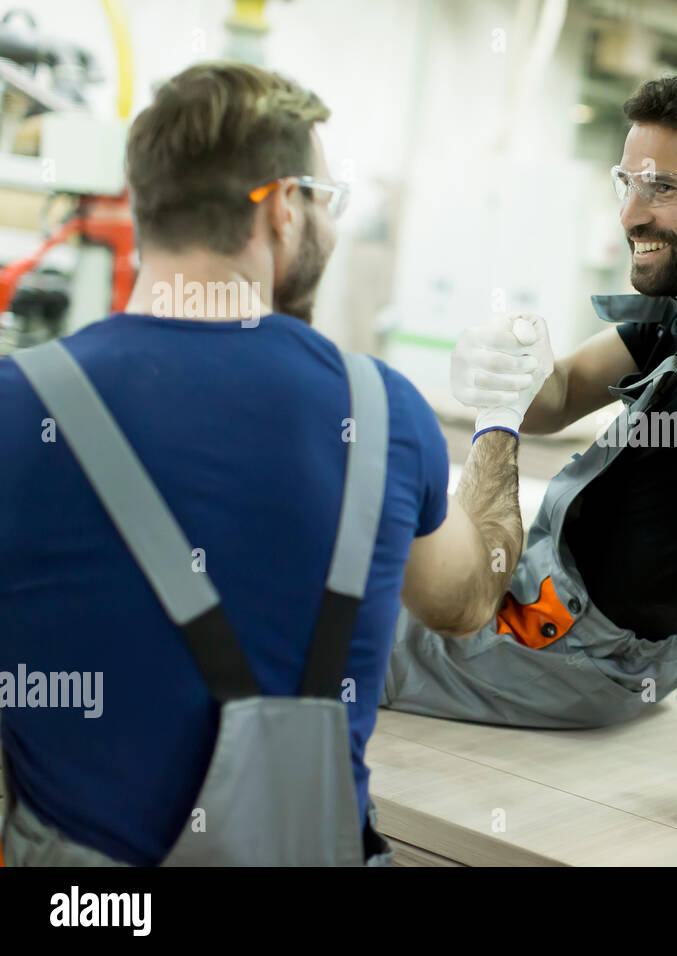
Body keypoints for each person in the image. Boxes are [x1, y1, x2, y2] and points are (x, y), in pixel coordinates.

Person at [0, 60, 539, 866]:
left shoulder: (16, 405)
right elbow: (467, 598)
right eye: (325, 201)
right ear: (284, 208)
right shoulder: (382, 412)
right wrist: (500, 422)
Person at [385, 63, 677, 859]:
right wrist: (514, 363)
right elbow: (559, 396)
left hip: (567, 648)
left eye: (664, 187)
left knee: (328, 622)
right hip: (542, 594)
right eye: (627, 179)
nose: (632, 212)